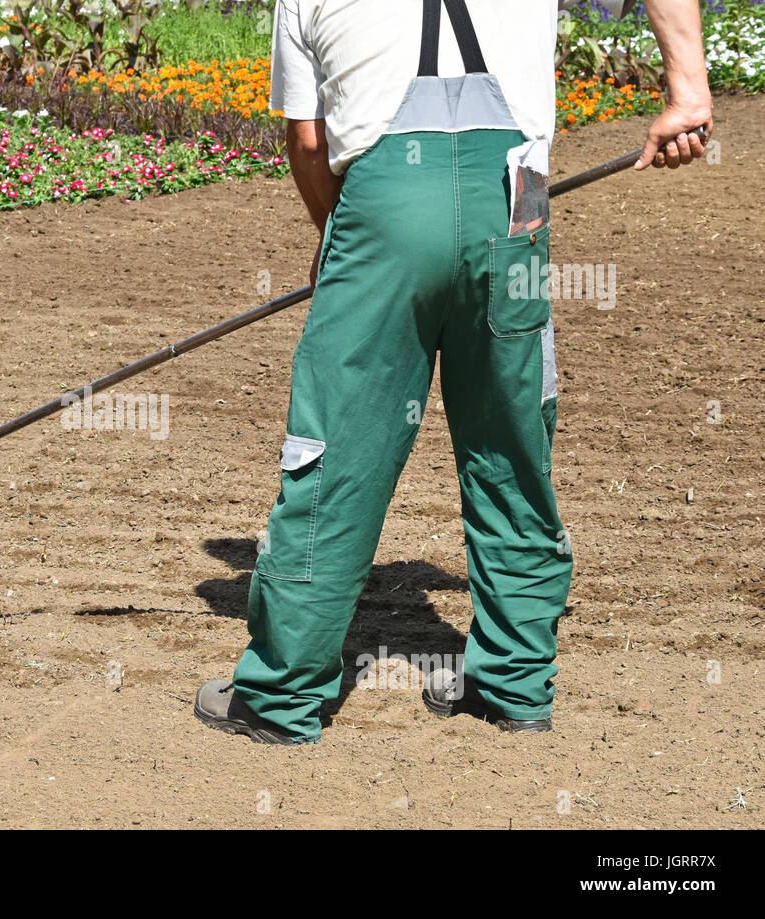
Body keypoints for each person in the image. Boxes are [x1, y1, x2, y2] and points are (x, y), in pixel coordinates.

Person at [194, 0, 713, 745]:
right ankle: (513, 678)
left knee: (339, 449)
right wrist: (688, 91)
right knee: (511, 443)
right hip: (516, 199)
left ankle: (280, 695)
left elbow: (308, 141)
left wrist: (343, 246)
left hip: (383, 206)